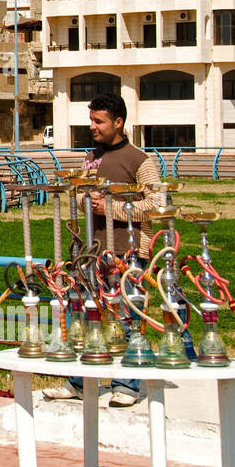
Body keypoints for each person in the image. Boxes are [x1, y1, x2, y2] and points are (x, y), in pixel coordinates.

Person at [44, 93, 166, 407]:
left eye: (99, 121)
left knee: (125, 316)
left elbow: (158, 204)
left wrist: (112, 208)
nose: (93, 127)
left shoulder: (140, 160)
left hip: (128, 252)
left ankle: (127, 383)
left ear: (118, 122)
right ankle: (79, 381)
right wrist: (86, 201)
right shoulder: (91, 158)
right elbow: (84, 195)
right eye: (91, 120)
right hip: (91, 251)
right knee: (83, 315)